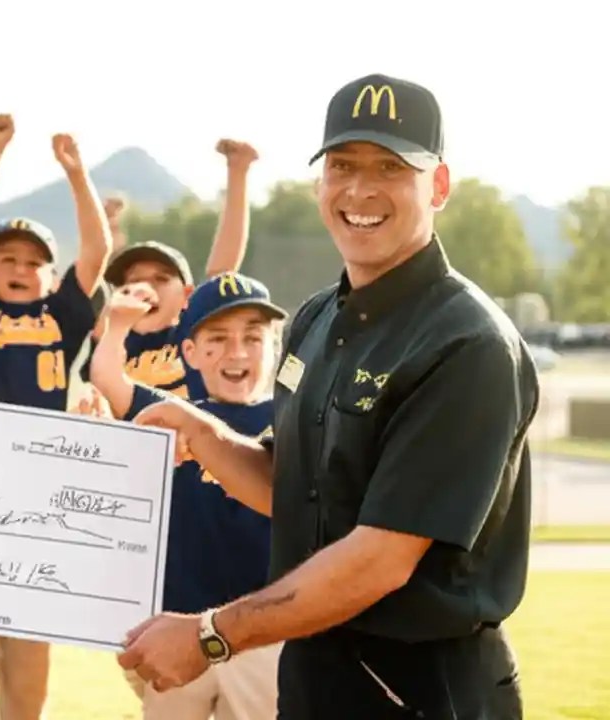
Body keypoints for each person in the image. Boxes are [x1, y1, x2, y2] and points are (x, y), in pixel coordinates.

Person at [118, 73, 537, 720]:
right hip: (315, 680)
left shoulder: (468, 344)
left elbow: (380, 560)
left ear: (440, 186)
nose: (360, 190)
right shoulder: (315, 321)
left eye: (391, 167)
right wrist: (201, 432)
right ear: (320, 182)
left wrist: (210, 634)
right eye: (342, 165)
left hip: (424, 692)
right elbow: (295, 489)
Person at [0, 114, 112, 720]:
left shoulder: (62, 317)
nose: (18, 267)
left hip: (37, 497)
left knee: (28, 651)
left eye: (33, 261)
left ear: (51, 274)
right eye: (5, 256)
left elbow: (98, 249)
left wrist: (76, 173)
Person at [90, 272, 286, 719]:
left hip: (261, 630)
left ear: (275, 347)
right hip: (175, 627)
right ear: (190, 353)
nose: (237, 352)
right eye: (217, 338)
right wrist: (118, 323)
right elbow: (106, 377)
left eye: (253, 338)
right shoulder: (172, 415)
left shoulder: (292, 419)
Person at [80, 139, 257, 403]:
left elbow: (222, 272)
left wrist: (238, 172)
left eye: (161, 279)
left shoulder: (191, 333)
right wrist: (108, 225)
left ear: (187, 295)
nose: (146, 288)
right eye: (135, 281)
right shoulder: (111, 341)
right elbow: (96, 268)